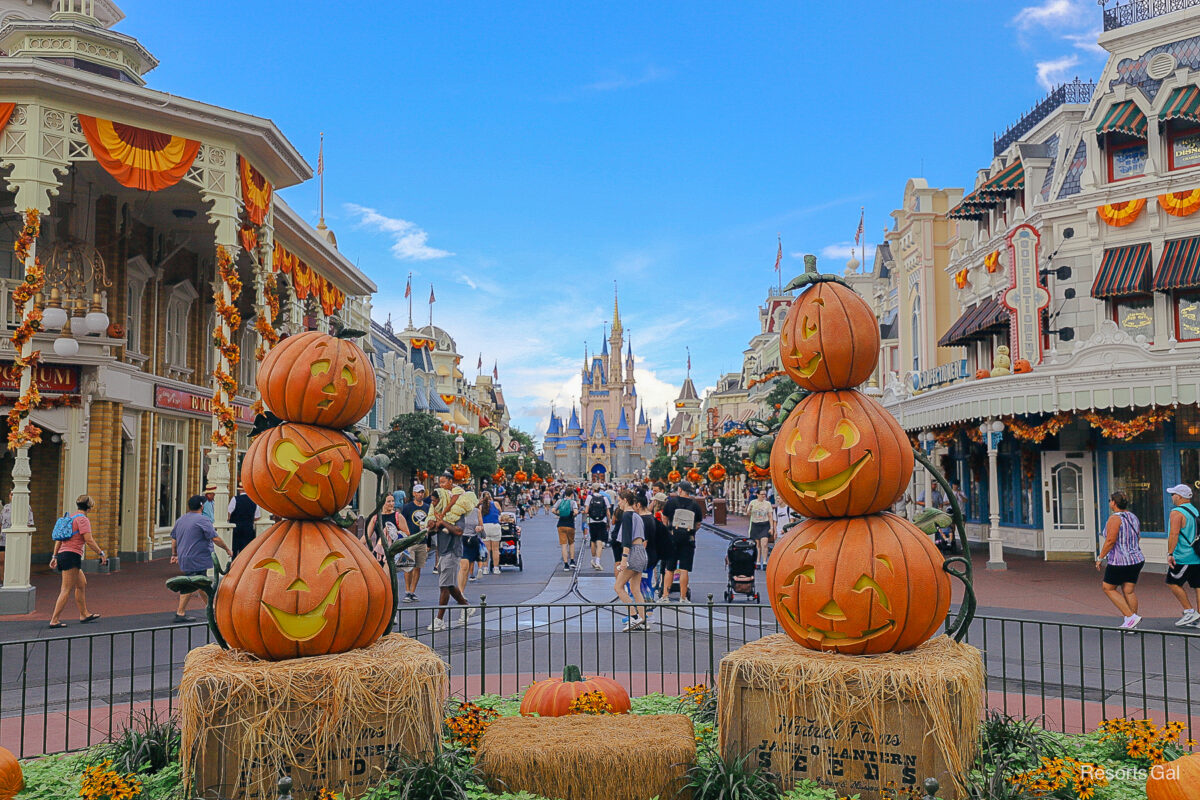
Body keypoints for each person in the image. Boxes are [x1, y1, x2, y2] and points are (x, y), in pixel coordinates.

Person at [426, 471, 477, 631]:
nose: (433, 503)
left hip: (452, 551)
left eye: (435, 501)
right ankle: (467, 606)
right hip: (442, 551)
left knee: (444, 586)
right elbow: (433, 528)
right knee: (449, 585)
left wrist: (442, 523)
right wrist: (432, 525)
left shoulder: (456, 513)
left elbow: (459, 531)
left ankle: (439, 620)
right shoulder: (437, 512)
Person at [170, 494, 231, 623]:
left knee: (201, 583)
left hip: (185, 557)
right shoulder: (203, 520)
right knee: (192, 584)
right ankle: (180, 613)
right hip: (198, 557)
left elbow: (174, 539)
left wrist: (174, 554)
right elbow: (215, 538)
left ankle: (212, 608)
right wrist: (226, 549)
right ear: (202, 506)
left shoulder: (181, 520)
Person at [48, 495, 107, 628]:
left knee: (81, 583)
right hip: (72, 555)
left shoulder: (71, 518)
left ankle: (84, 613)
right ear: (90, 507)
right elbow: (89, 540)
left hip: (64, 554)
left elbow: (59, 539)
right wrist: (101, 553)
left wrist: (54, 556)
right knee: (66, 589)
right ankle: (54, 619)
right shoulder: (83, 520)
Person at [1096, 491, 1145, 629]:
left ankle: (1131, 617)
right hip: (1136, 558)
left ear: (1114, 503)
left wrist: (1100, 557)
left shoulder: (1114, 519)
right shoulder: (1133, 517)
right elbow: (1138, 537)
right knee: (1128, 590)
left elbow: (1110, 540)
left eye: (1110, 501)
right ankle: (1131, 624)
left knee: (1108, 588)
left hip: (1120, 560)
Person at [661, 482, 704, 603]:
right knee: (684, 569)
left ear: (680, 490)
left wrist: (669, 531)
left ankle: (665, 596)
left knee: (669, 569)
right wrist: (692, 532)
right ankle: (683, 597)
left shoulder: (672, 502)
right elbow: (699, 523)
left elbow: (664, 518)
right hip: (688, 540)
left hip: (672, 540)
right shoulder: (695, 505)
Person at [1164, 484, 1200, 628]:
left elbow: (1174, 534)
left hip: (1183, 555)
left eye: (1173, 494)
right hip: (1196, 555)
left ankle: (1189, 611)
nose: (1172, 497)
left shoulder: (1176, 512)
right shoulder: (1194, 510)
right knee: (1198, 586)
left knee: (1173, 582)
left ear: (1179, 496)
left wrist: (1170, 553)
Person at [614, 490, 649, 631]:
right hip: (641, 552)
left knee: (618, 587)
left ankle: (634, 617)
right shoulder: (637, 515)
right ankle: (643, 620)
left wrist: (624, 559)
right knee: (635, 589)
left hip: (632, 552)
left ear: (625, 500)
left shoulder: (627, 515)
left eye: (619, 500)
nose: (618, 503)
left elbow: (627, 539)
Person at [399, 484, 432, 602]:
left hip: (422, 541)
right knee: (408, 567)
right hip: (410, 541)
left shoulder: (427, 507)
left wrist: (428, 543)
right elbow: (402, 521)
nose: (420, 494)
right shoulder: (407, 507)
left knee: (418, 567)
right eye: (418, 492)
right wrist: (403, 537)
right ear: (414, 493)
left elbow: (430, 525)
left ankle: (413, 591)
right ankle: (407, 591)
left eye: (422, 492)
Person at [366, 494, 409, 568]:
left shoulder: (398, 516)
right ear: (382, 502)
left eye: (393, 501)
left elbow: (407, 534)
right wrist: (356, 546)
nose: (392, 503)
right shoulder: (376, 517)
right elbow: (366, 536)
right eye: (389, 501)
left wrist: (395, 534)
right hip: (379, 552)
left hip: (392, 553)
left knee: (387, 576)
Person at [1, 489, 34, 575]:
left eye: (14, 494)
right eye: (11, 494)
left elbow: (29, 523)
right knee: (2, 561)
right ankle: (1, 580)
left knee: (15, 561)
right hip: (3, 539)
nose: (12, 496)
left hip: (18, 539)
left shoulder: (26, 507)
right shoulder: (5, 507)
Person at [227, 487, 260, 557]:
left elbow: (228, 513)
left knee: (234, 550)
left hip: (236, 529)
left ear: (240, 491)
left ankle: (233, 566)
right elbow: (257, 517)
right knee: (246, 552)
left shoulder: (235, 499)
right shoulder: (254, 501)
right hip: (248, 529)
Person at [586, 485, 612, 571]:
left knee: (593, 541)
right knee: (600, 542)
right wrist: (609, 522)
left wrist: (587, 520)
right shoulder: (604, 498)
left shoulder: (589, 497)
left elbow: (586, 511)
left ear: (593, 489)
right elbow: (608, 512)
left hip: (592, 522)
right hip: (602, 521)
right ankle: (598, 562)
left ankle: (593, 560)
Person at [747, 489, 773, 570]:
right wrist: (750, 509)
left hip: (765, 525)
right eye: (762, 494)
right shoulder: (753, 502)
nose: (763, 496)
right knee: (757, 545)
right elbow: (748, 514)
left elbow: (770, 516)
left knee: (764, 544)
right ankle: (758, 562)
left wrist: (771, 527)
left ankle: (765, 562)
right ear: (757, 495)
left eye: (764, 494)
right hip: (755, 525)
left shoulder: (767, 504)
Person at [478, 491, 503, 574]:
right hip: (495, 526)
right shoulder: (496, 504)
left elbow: (479, 517)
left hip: (485, 527)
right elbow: (500, 512)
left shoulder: (481, 507)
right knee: (495, 549)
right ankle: (496, 568)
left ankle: (485, 568)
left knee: (486, 549)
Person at [555, 490, 579, 570]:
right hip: (570, 525)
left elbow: (553, 510)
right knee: (571, 543)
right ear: (572, 494)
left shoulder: (560, 501)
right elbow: (576, 512)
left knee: (563, 545)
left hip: (561, 525)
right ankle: (572, 561)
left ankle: (566, 564)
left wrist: (559, 514)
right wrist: (573, 515)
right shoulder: (573, 502)